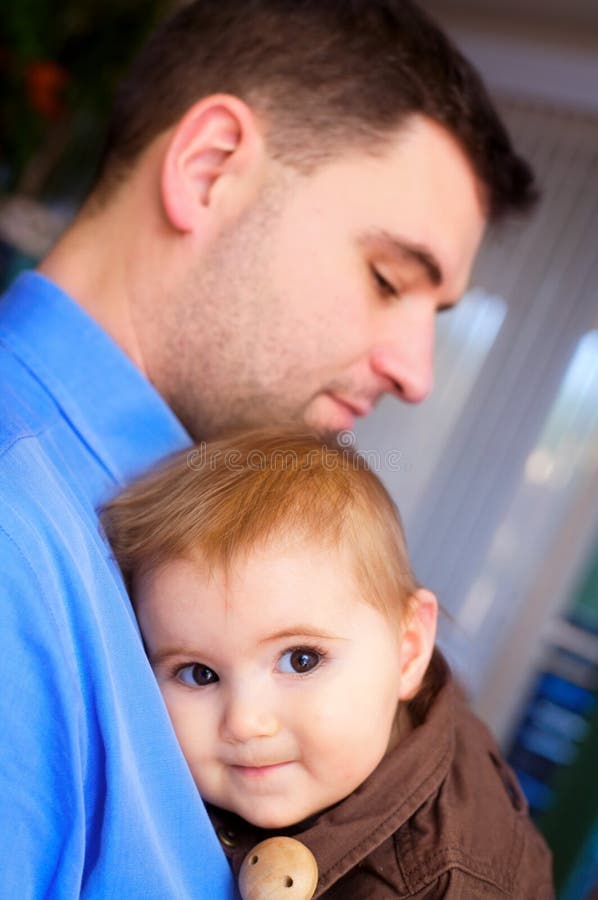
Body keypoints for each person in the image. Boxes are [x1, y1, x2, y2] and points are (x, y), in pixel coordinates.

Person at [0, 0, 538, 896]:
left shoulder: (227, 513)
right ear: (210, 169)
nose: (417, 373)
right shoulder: (17, 529)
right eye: (387, 278)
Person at [101, 429, 554, 898]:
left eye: (300, 660)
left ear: (408, 650)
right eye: (200, 674)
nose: (245, 722)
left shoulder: (442, 883)